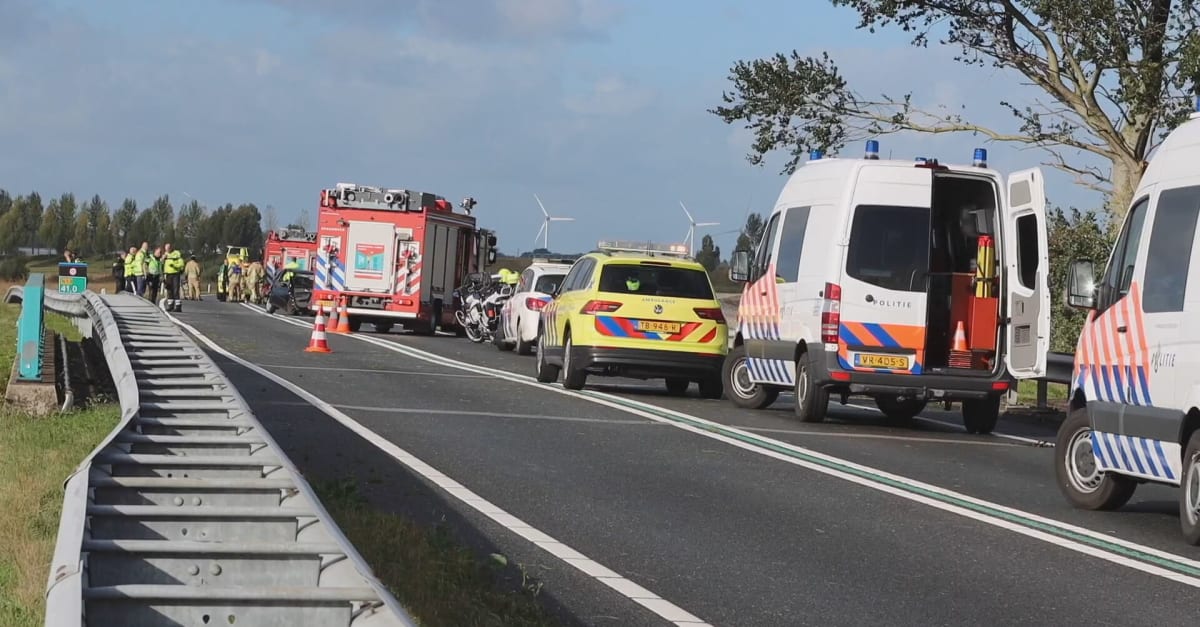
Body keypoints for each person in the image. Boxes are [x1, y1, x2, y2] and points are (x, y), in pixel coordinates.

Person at [162, 243, 185, 312]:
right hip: (168, 274)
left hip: (175, 274)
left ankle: (178, 306)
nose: (167, 250)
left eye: (169, 248)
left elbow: (181, 263)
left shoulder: (176, 253)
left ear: (171, 248)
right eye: (166, 249)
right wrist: (162, 259)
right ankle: (170, 305)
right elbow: (161, 264)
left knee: (175, 290)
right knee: (169, 290)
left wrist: (174, 265)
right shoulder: (165, 255)